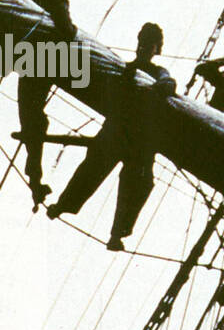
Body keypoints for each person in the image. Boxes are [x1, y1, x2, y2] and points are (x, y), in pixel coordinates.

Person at [46, 23, 176, 250]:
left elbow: (168, 83)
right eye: (141, 43)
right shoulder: (125, 69)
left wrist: (158, 88)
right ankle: (63, 205)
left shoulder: (157, 73)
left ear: (157, 49)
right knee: (92, 169)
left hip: (140, 137)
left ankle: (117, 234)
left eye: (149, 45)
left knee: (138, 184)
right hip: (119, 130)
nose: (143, 48)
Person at [16, 0, 77, 206]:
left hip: (26, 54)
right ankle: (34, 177)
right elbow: (67, 29)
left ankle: (35, 177)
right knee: (33, 114)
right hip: (41, 60)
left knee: (30, 114)